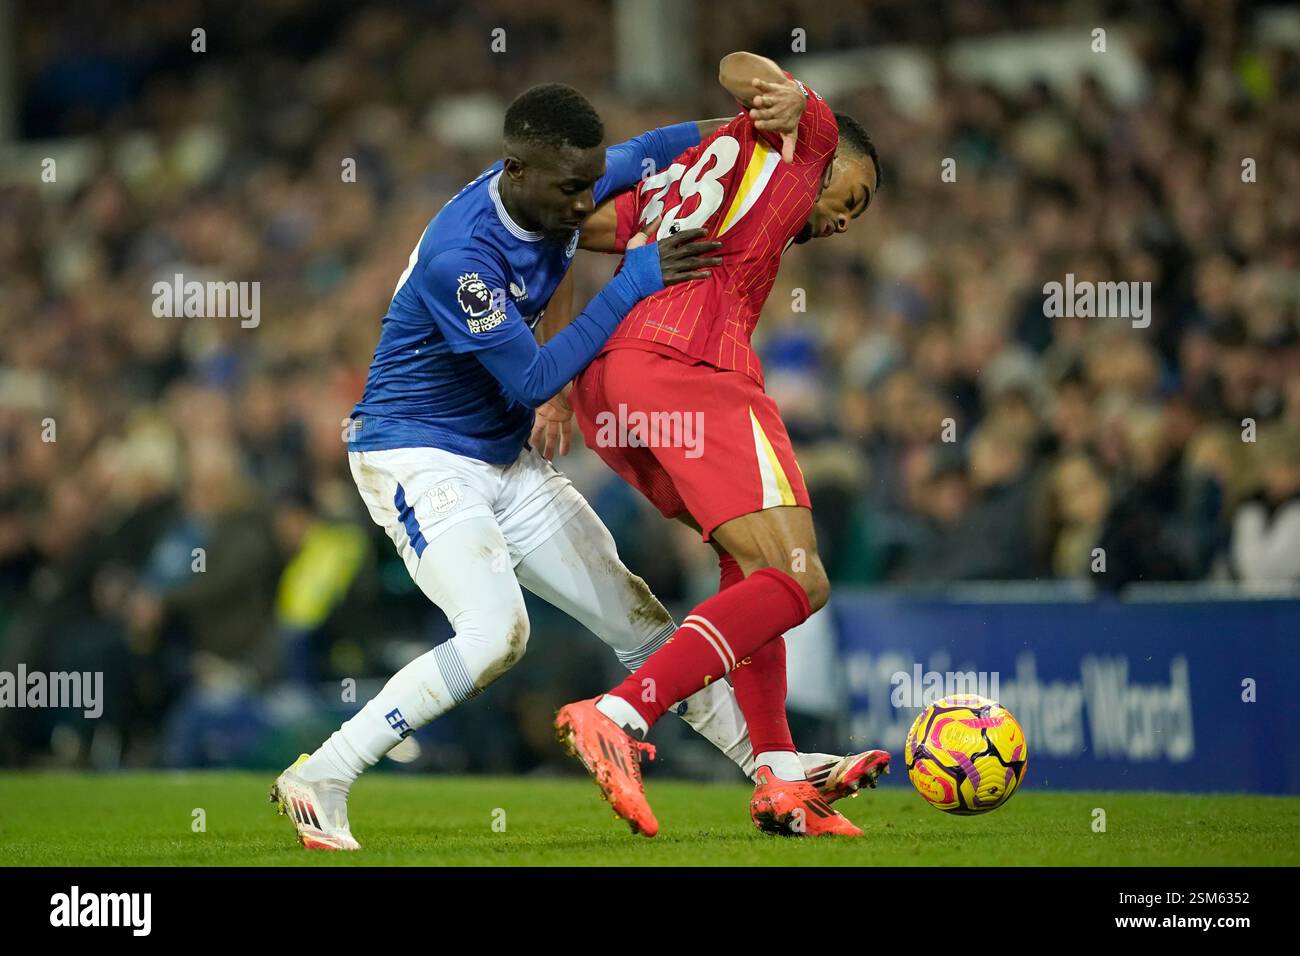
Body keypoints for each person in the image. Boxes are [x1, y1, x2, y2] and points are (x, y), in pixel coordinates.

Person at [272, 81, 881, 851]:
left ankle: (776, 769)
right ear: (515, 172)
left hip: (503, 454)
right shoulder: (462, 259)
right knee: (497, 634)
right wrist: (634, 279)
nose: (586, 200)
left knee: (641, 620)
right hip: (418, 453)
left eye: (595, 180)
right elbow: (528, 380)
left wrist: (753, 119)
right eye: (571, 188)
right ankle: (324, 773)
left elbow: (669, 145)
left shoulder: (564, 186)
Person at [550, 52, 883, 837]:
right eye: (853, 197)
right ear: (833, 158)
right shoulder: (811, 142)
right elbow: (743, 65)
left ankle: (776, 775)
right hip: (693, 367)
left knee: (751, 572)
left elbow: (569, 224)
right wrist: (786, 95)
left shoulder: (692, 176)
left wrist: (555, 364)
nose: (841, 220)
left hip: (612, 387)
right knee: (802, 578)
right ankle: (620, 714)